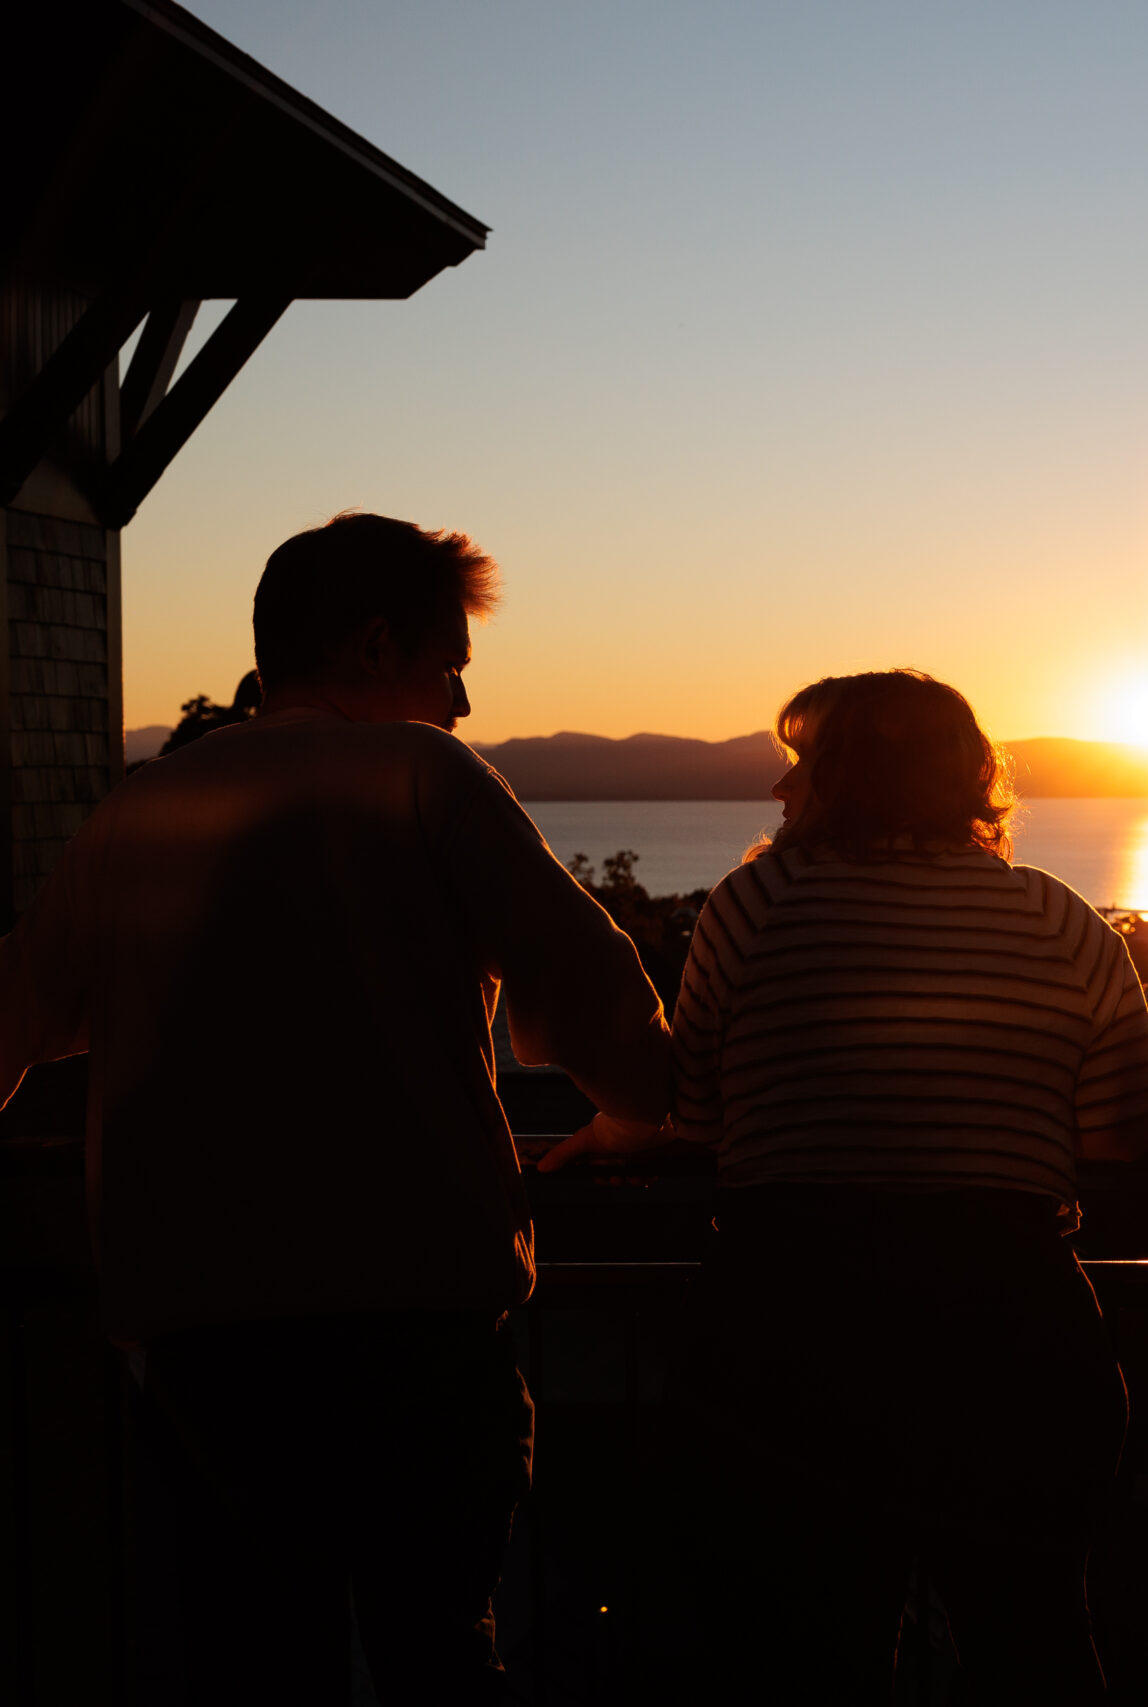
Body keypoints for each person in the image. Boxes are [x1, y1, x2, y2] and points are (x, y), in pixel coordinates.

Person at [0, 511, 673, 1704]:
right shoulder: (423, 776)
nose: (461, 705)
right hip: (417, 1317)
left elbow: (25, 1019)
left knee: (252, 1660)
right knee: (438, 1650)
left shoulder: (134, 813)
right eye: (449, 667)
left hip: (203, 1332)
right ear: (374, 649)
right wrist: (637, 1111)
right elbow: (588, 1003)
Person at [546, 668, 1148, 1703]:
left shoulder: (760, 900)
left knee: (809, 1652)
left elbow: (693, 1109)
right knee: (1033, 1640)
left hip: (795, 1317)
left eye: (801, 768)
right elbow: (1117, 1136)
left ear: (841, 780)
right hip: (1010, 1321)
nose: (780, 797)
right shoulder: (1059, 918)